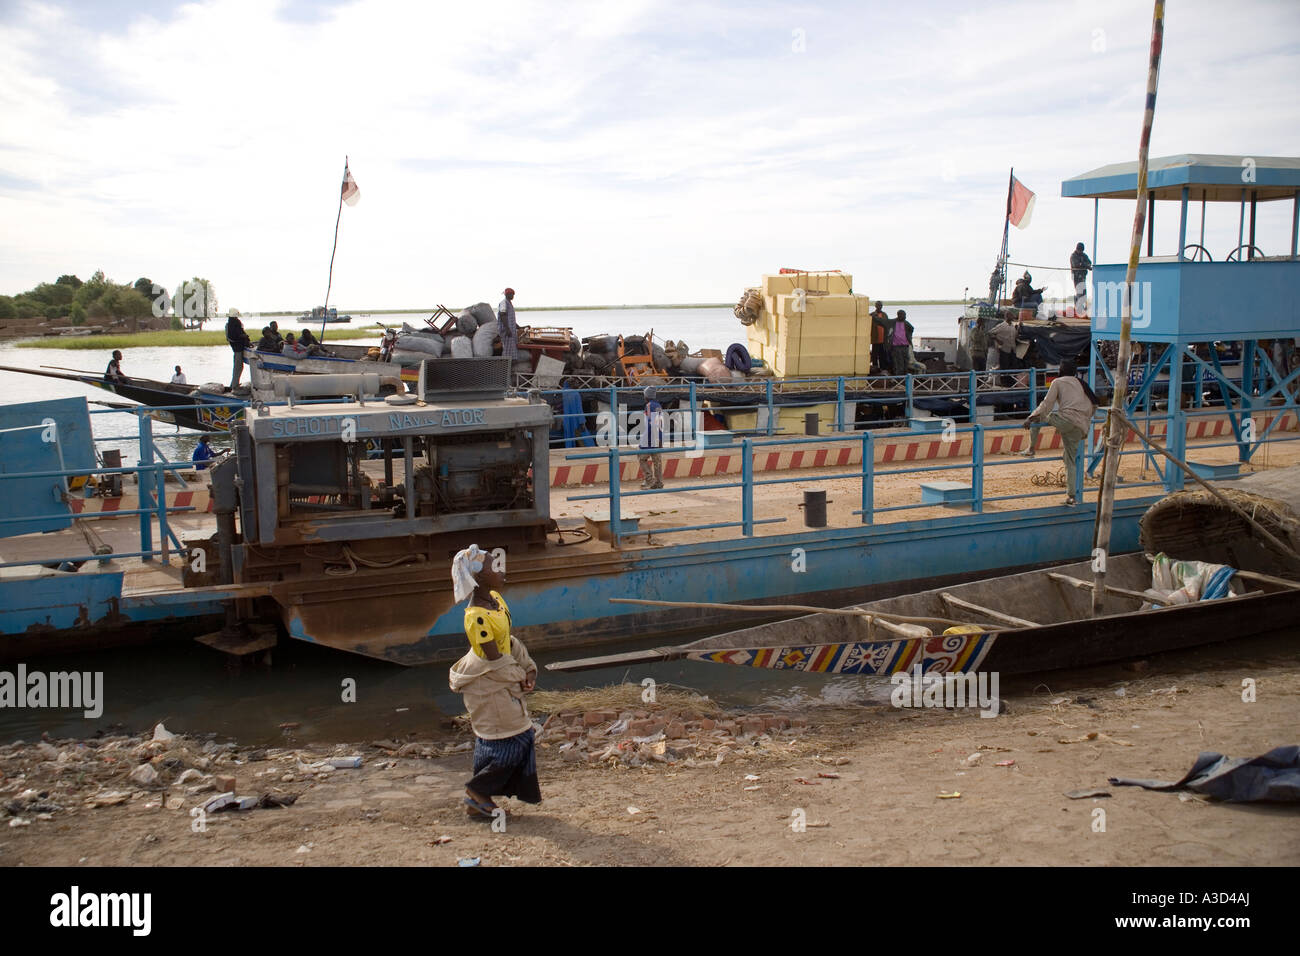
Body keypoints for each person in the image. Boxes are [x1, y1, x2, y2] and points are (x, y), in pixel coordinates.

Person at [447, 545, 541, 821]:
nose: (501, 570)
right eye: (494, 566)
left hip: (501, 676)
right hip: (487, 684)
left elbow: (508, 643)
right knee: (515, 738)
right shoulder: (476, 616)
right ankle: (477, 791)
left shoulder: (496, 600)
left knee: (495, 742)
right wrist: (519, 677)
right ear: (478, 577)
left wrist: (528, 669)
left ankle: (477, 800)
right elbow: (494, 660)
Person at [1023, 359, 1099, 506]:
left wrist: (1030, 417)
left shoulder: (1057, 382)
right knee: (1070, 460)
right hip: (1081, 426)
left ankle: (1031, 449)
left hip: (1066, 421)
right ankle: (1072, 497)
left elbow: (1047, 404)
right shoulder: (1082, 384)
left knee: (1038, 417)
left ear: (1060, 371)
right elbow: (1094, 404)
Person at [638, 386, 664, 489]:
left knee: (641, 458)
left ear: (646, 396)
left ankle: (649, 480)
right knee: (657, 460)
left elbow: (651, 424)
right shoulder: (658, 406)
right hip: (658, 437)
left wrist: (645, 440)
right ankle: (659, 482)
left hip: (650, 438)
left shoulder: (648, 406)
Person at [226, 309, 251, 389]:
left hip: (237, 348)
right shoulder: (234, 323)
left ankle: (233, 384)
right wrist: (243, 337)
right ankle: (234, 385)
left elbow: (235, 335)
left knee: (238, 367)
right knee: (238, 367)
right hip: (238, 349)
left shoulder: (231, 323)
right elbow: (235, 335)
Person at [991, 315, 1020, 383]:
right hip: (1005, 349)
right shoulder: (1002, 326)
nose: (1012, 317)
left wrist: (1018, 330)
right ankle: (1004, 382)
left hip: (1012, 349)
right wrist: (998, 340)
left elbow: (1015, 336)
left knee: (1013, 366)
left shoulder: (1013, 326)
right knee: (1005, 366)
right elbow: (991, 333)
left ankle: (1012, 382)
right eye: (1010, 316)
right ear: (1006, 317)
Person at [888, 309, 914, 376]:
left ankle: (905, 377)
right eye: (903, 315)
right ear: (899, 315)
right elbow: (883, 322)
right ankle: (897, 377)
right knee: (897, 363)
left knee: (905, 362)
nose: (905, 317)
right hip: (896, 347)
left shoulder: (906, 323)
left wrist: (909, 338)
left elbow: (912, 329)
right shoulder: (892, 322)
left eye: (905, 315)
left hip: (905, 346)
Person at [497, 288, 519, 361]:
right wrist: (507, 329)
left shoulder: (509, 303)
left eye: (513, 294)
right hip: (506, 331)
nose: (513, 296)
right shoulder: (504, 303)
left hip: (510, 330)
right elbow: (503, 315)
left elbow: (510, 318)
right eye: (511, 294)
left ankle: (509, 366)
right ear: (506, 294)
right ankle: (505, 366)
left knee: (511, 349)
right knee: (507, 349)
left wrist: (518, 326)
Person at [1070, 243, 1092, 313]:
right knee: (1079, 292)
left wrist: (1085, 264)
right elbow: (1076, 265)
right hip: (1076, 276)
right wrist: (1085, 265)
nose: (1080, 252)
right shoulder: (1073, 256)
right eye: (1079, 250)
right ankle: (1079, 308)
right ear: (1077, 249)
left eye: (1082, 250)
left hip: (1082, 276)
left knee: (1084, 293)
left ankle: (1081, 307)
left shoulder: (1084, 255)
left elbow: (1089, 262)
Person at [869, 301, 889, 374]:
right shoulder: (872, 315)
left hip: (883, 339)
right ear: (875, 306)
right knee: (874, 355)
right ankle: (875, 369)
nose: (879, 306)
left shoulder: (884, 315)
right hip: (875, 339)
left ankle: (883, 369)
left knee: (883, 355)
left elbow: (888, 324)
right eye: (878, 305)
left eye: (880, 305)